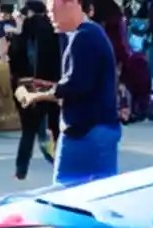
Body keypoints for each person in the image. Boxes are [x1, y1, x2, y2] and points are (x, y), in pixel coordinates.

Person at [19, 0, 121, 184]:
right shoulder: (89, 33)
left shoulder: (84, 37)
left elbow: (75, 86)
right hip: (96, 128)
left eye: (52, 10)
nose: (49, 16)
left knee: (65, 192)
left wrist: (37, 95)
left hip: (86, 131)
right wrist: (43, 87)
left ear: (71, 3)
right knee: (99, 193)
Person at [8, 0, 61, 179]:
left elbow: (14, 62)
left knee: (28, 130)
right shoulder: (54, 31)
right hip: (51, 84)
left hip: (27, 86)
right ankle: (61, 163)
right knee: (55, 128)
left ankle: (20, 170)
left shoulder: (23, 33)